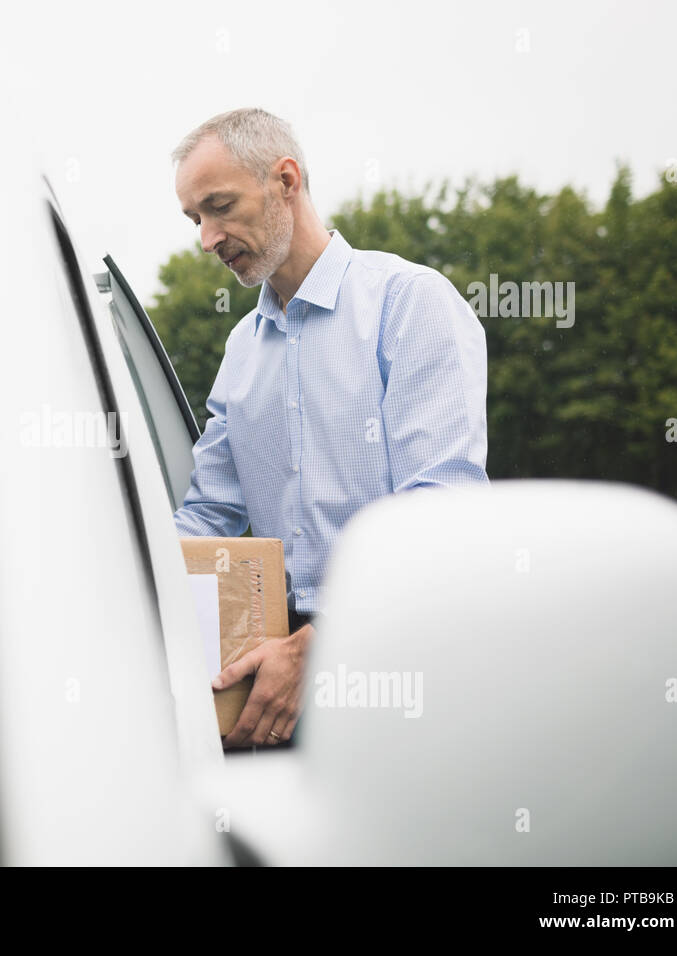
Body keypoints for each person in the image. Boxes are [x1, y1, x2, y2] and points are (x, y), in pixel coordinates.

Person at [171, 108, 489, 749]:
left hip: (403, 678)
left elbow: (442, 517)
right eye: (194, 219)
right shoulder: (241, 350)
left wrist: (320, 648)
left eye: (219, 206)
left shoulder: (409, 303)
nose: (207, 238)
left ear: (285, 180)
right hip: (264, 692)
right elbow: (207, 519)